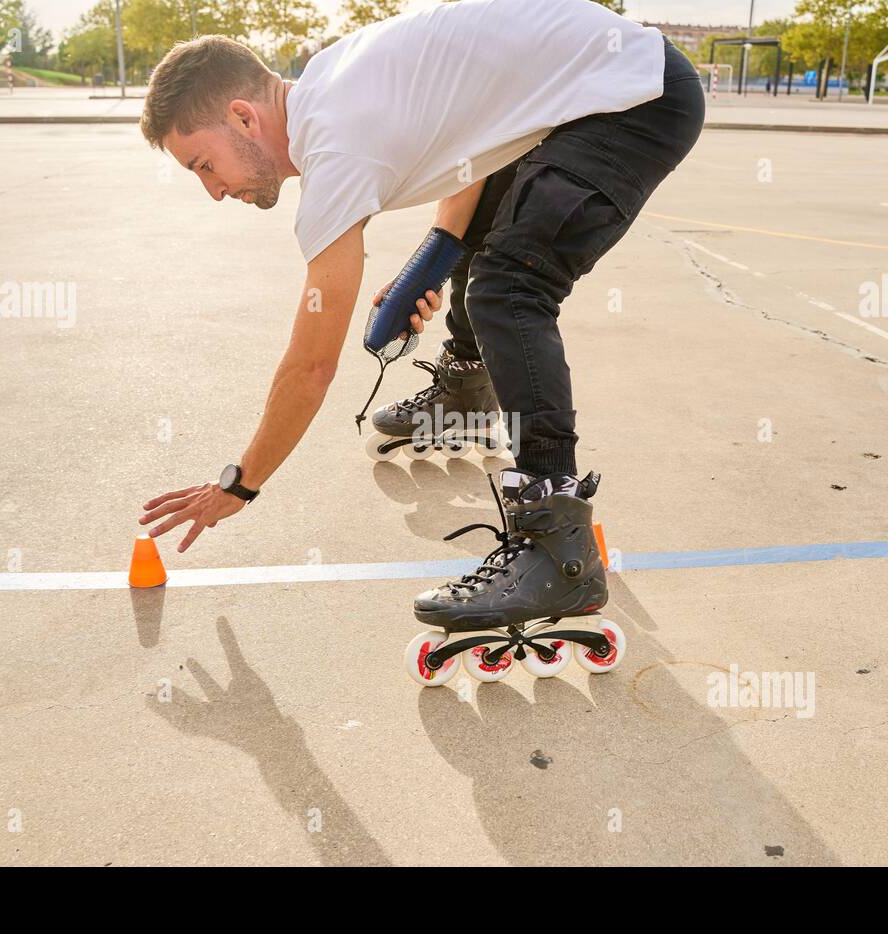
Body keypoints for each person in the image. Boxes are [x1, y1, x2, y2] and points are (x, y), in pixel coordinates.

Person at [136, 0, 703, 636]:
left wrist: (239, 486)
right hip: (600, 85)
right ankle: (466, 382)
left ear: (243, 116)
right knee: (486, 258)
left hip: (633, 99)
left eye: (204, 165)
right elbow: (475, 140)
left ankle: (558, 548)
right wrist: (432, 260)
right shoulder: (328, 79)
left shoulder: (334, 147)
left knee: (509, 287)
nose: (213, 191)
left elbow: (312, 365)